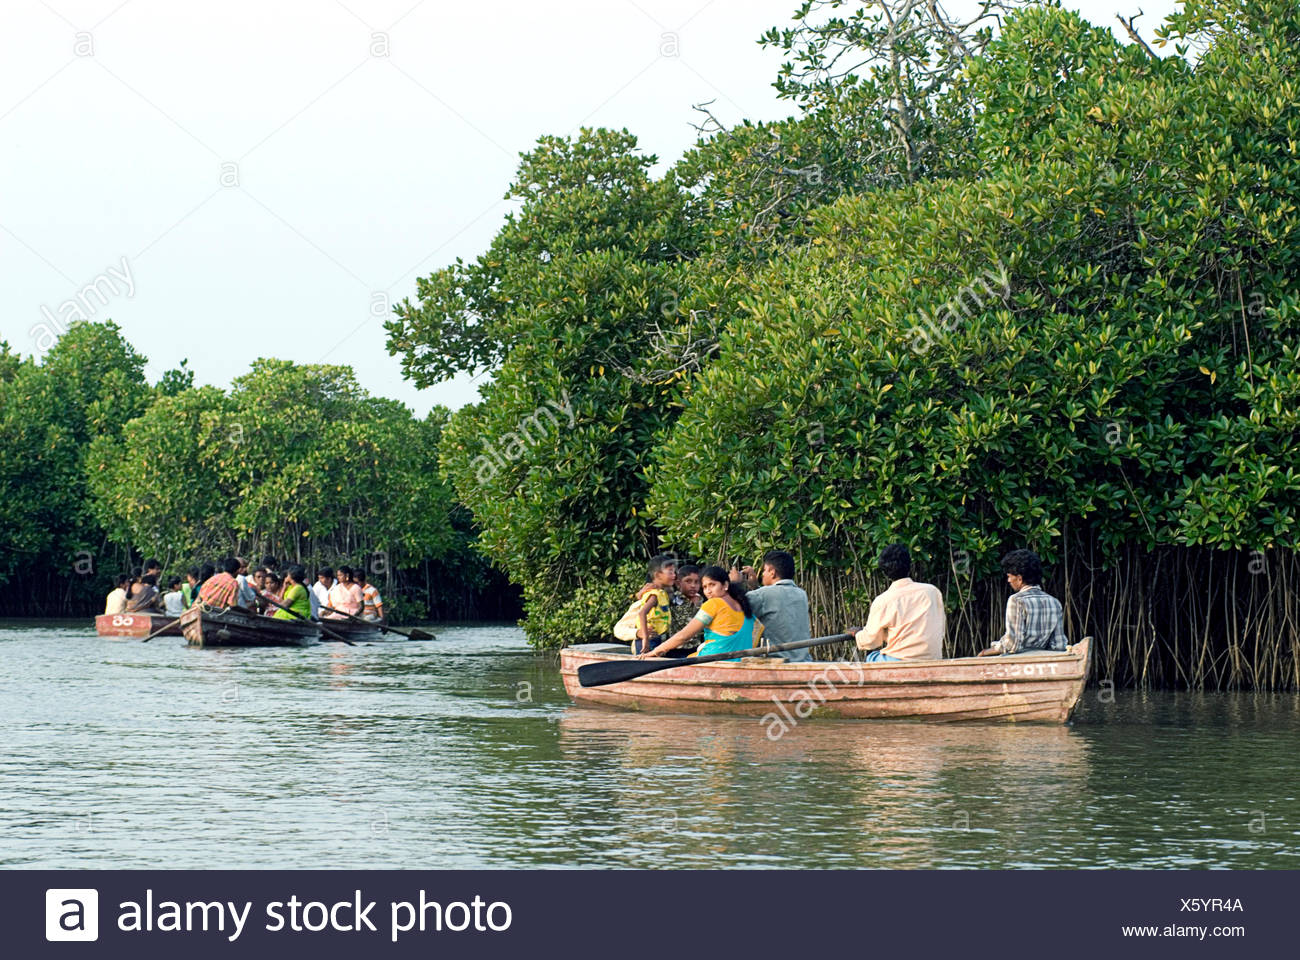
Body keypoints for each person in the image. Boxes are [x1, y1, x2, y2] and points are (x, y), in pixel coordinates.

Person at [638, 566, 757, 659]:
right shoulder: (745, 605)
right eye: (705, 587)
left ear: (725, 585)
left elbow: (683, 636)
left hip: (713, 660)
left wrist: (655, 652)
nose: (708, 591)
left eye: (712, 585)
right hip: (740, 661)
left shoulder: (714, 604)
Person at [851, 544, 945, 662]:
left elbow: (872, 641)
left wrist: (858, 633)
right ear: (909, 566)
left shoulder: (884, 600)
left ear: (885, 572)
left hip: (900, 661)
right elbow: (939, 628)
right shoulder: (932, 592)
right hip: (932, 659)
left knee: (871, 657)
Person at [978, 549, 1068, 656]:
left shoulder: (1016, 600)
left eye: (1009, 576)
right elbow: (1059, 644)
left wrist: (985, 652)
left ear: (1019, 578)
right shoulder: (1054, 602)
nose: (1008, 581)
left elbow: (1012, 644)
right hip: (1041, 662)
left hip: (1019, 662)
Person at [733, 550, 813, 662]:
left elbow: (734, 607)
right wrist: (755, 586)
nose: (762, 574)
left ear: (772, 572)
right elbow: (773, 601)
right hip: (803, 660)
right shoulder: (801, 594)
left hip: (777, 660)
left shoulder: (763, 595)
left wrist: (734, 584)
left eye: (765, 570)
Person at [631, 554, 676, 655]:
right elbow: (642, 613)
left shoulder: (662, 593)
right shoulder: (654, 595)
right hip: (649, 640)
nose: (674, 576)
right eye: (670, 572)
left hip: (656, 638)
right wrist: (645, 638)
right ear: (658, 575)